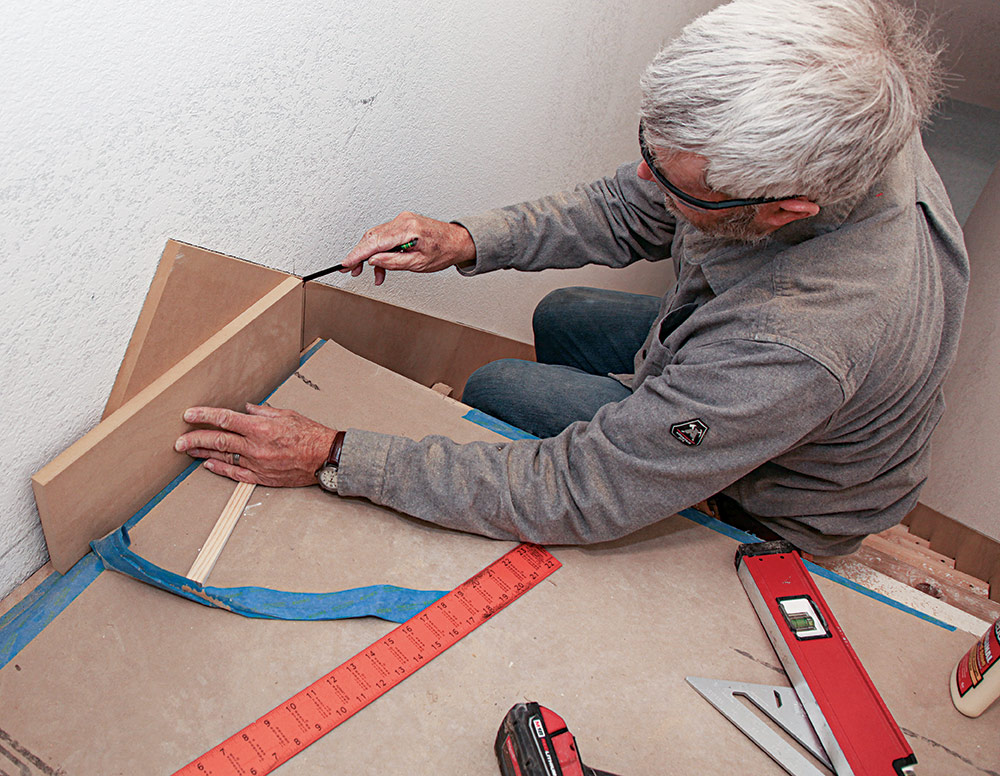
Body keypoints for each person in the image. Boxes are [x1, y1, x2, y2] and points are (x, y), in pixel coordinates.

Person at [174, 0, 968, 556]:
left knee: (498, 386)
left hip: (786, 502)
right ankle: (654, 420)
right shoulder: (852, 103)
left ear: (782, 211)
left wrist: (334, 456)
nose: (643, 178)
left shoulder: (793, 342)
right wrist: (467, 239)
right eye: (648, 149)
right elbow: (633, 204)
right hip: (782, 375)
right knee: (563, 315)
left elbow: (580, 492)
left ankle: (691, 480)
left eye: (675, 181)